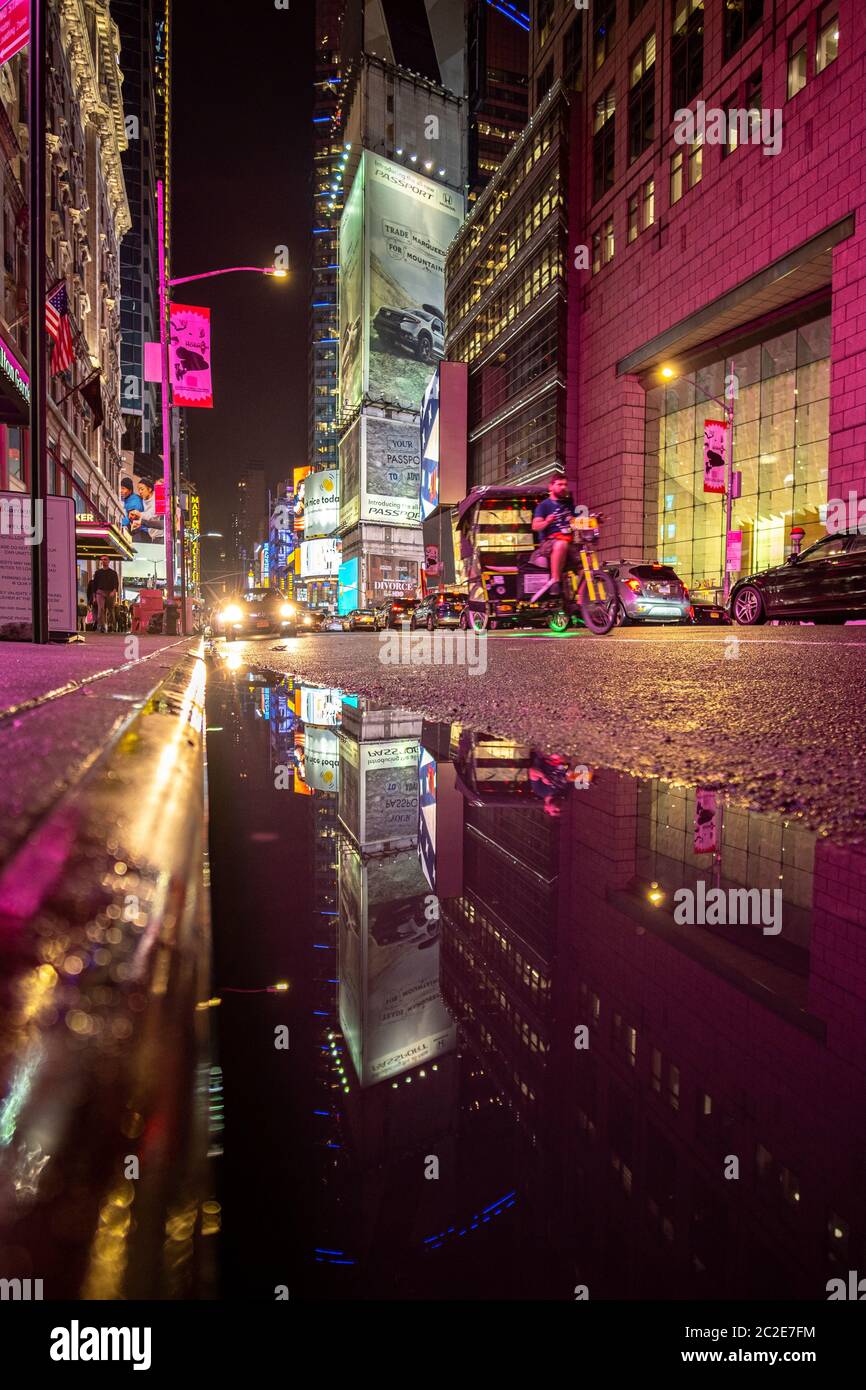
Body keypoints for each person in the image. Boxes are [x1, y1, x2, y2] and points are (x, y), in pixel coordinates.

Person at [531, 475, 576, 597]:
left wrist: (594, 520)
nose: (563, 487)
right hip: (549, 542)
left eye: (565, 485)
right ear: (551, 486)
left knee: (586, 557)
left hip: (569, 541)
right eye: (559, 484)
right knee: (561, 544)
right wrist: (547, 522)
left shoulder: (569, 505)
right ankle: (555, 580)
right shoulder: (544, 505)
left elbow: (579, 521)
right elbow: (535, 526)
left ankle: (581, 600)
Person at [91, 557, 119, 632]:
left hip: (110, 592)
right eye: (102, 560)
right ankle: (101, 626)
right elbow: (94, 585)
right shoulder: (97, 573)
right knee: (101, 609)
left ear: (109, 561)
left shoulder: (113, 573)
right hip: (100, 592)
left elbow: (116, 584)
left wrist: (114, 591)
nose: (103, 561)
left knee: (110, 610)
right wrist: (94, 597)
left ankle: (111, 625)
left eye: (105, 559)